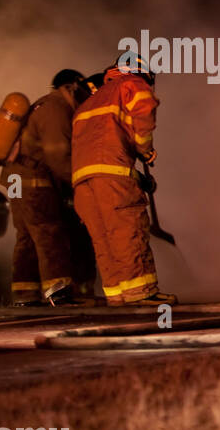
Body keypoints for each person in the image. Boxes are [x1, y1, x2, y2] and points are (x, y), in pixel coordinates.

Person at [71, 53, 176, 305]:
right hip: (112, 176)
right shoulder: (131, 84)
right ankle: (141, 294)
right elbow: (144, 110)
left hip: (83, 182)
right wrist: (144, 149)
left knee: (104, 237)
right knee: (128, 230)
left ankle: (118, 297)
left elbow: (101, 142)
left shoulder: (88, 103)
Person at [4, 70, 85, 305]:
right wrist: (79, 183)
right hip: (33, 182)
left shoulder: (43, 105)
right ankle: (57, 293)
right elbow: (58, 155)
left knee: (27, 236)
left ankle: (25, 293)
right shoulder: (55, 108)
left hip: (15, 180)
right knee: (49, 232)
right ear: (70, 87)